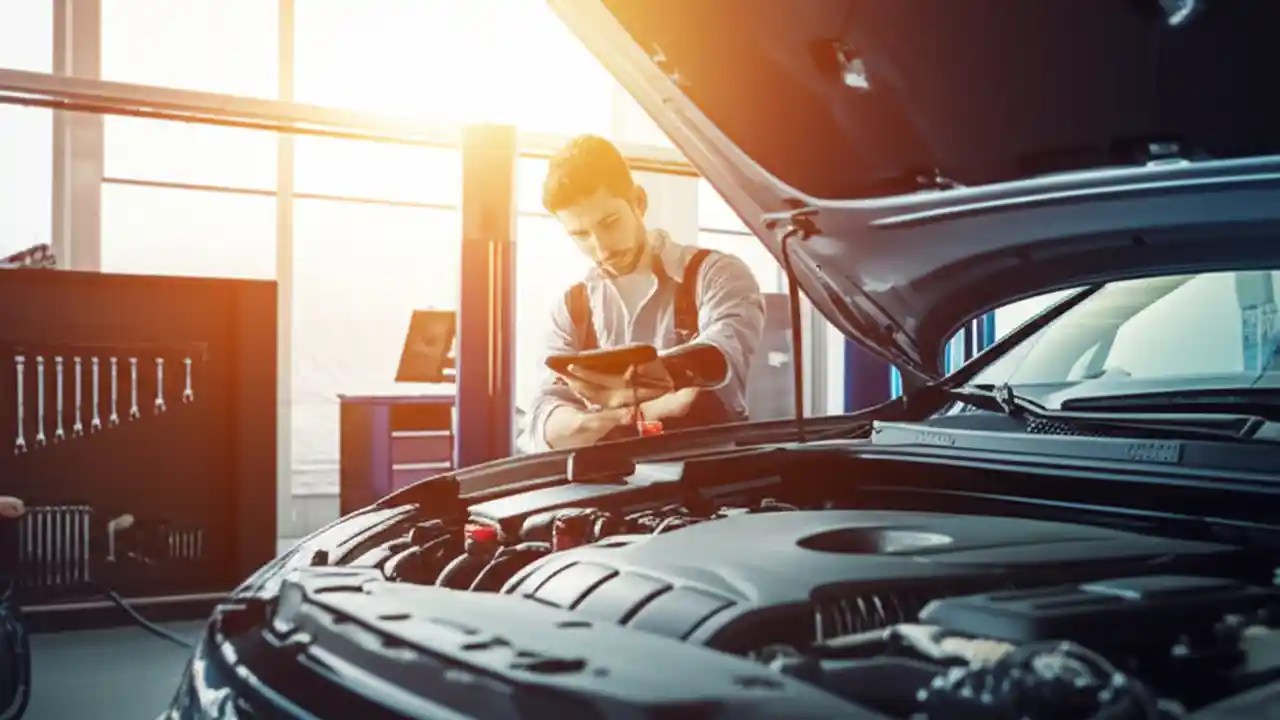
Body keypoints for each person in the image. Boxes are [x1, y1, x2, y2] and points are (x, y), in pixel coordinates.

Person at [521, 135, 765, 452]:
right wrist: (622, 414)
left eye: (609, 222)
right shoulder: (569, 308)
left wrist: (610, 402)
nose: (601, 247)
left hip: (709, 482)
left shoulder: (716, 275)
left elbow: (720, 359)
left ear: (639, 202)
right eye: (580, 235)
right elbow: (543, 419)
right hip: (612, 491)